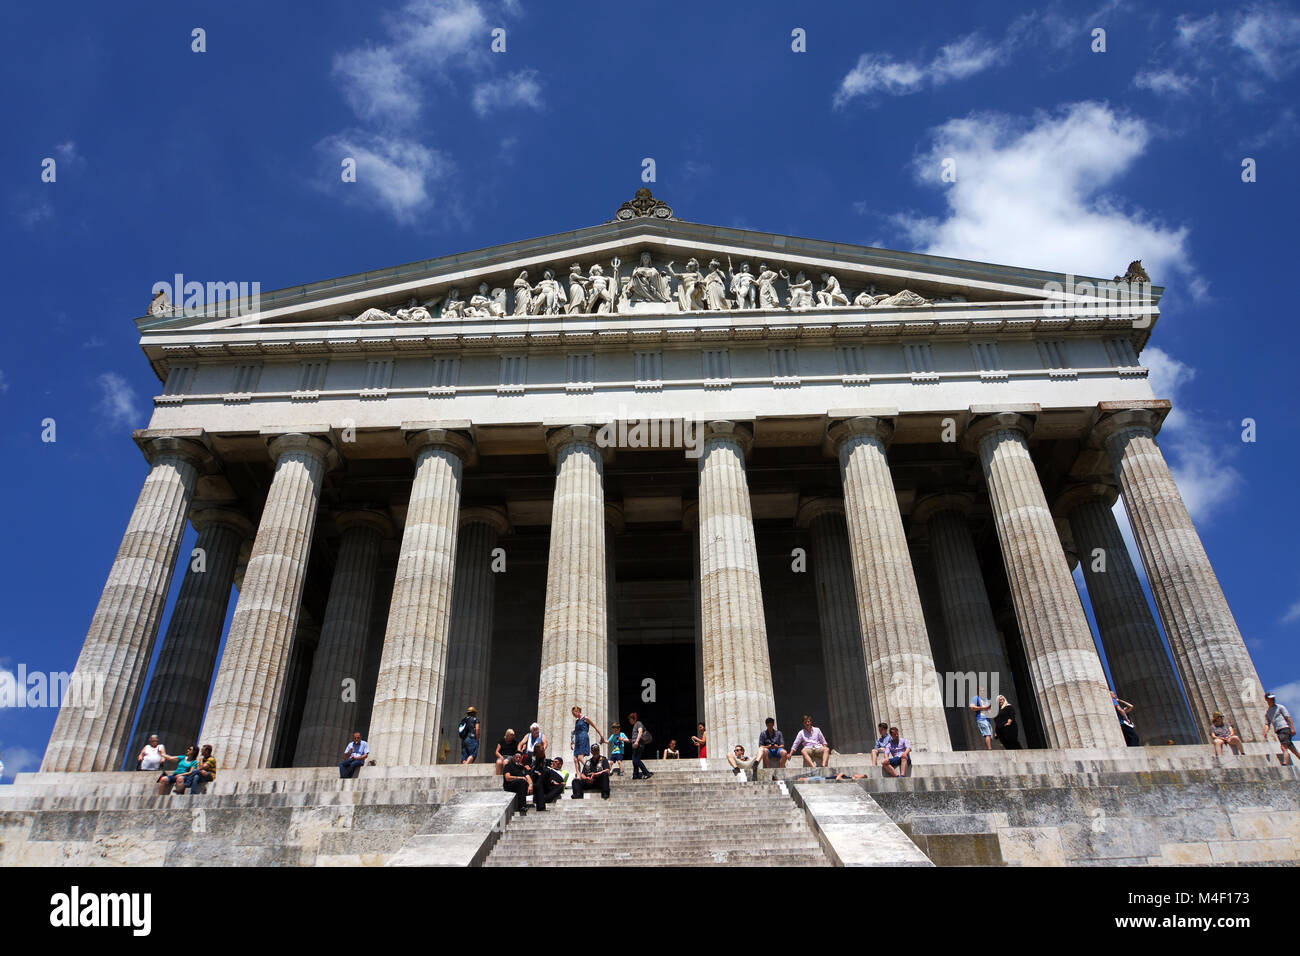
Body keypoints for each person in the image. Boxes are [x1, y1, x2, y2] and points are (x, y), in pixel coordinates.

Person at [1264, 692, 1299, 766]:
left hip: (1284, 728)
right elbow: (1267, 723)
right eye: (1270, 698)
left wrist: (1292, 728)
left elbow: (1288, 717)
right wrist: (1265, 732)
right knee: (1292, 749)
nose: (1273, 700)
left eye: (1273, 698)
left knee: (1283, 747)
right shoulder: (1268, 712)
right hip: (1278, 731)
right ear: (1266, 700)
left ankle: (1285, 763)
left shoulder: (1280, 707)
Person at [503, 751, 534, 815]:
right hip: (510, 785)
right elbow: (507, 777)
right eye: (516, 757)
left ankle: (541, 806)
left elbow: (528, 777)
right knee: (522, 782)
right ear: (513, 758)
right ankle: (522, 806)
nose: (518, 759)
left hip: (521, 785)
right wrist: (519, 777)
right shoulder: (508, 766)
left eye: (519, 757)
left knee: (537, 785)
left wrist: (530, 785)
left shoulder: (523, 768)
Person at [628, 712, 653, 780]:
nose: (629, 721)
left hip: (638, 744)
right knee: (634, 761)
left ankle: (646, 773)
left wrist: (636, 741)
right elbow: (634, 737)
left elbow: (640, 732)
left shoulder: (638, 723)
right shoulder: (635, 725)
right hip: (635, 744)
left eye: (630, 719)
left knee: (636, 760)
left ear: (634, 719)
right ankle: (635, 775)